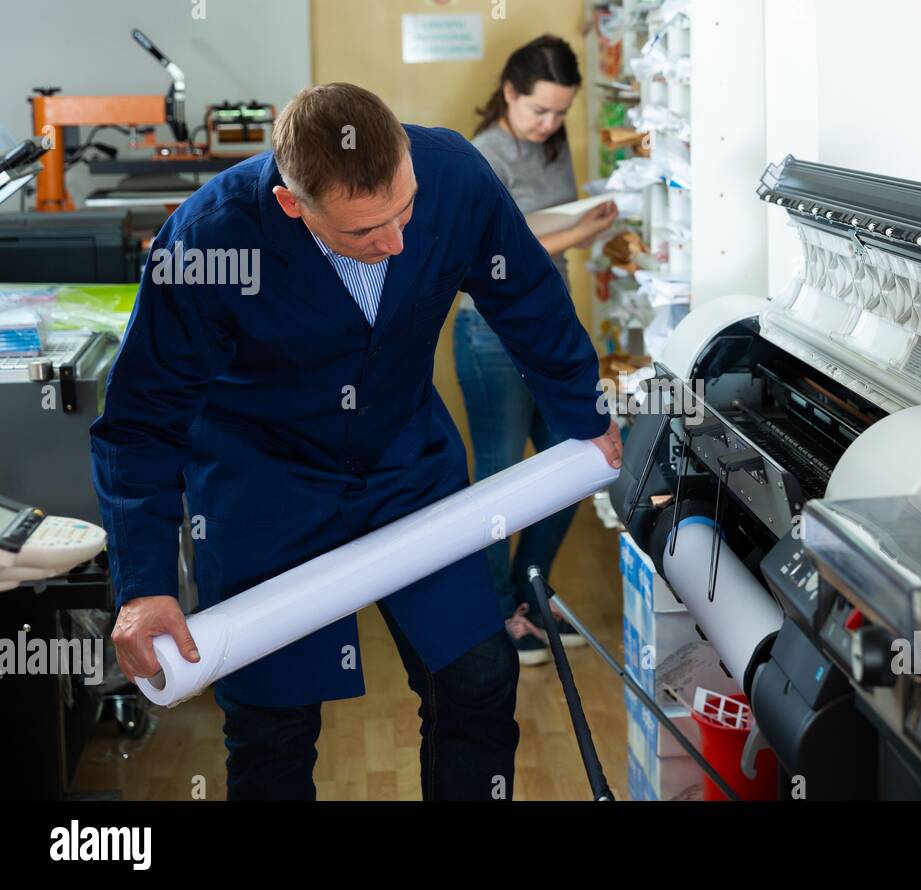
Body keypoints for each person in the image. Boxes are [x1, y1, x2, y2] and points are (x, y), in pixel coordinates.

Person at [93, 82, 622, 801]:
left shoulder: (453, 174)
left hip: (406, 464)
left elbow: (526, 295)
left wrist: (586, 413)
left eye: (404, 211)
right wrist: (145, 583)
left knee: (479, 680)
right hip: (263, 485)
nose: (395, 241)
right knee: (272, 732)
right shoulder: (207, 238)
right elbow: (140, 419)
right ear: (292, 204)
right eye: (362, 232)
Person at [456, 35, 617, 665]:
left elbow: (551, 229)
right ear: (509, 93)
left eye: (559, 113)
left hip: (552, 331)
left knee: (578, 460)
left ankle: (530, 592)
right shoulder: (481, 156)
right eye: (539, 111)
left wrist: (580, 222)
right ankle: (499, 614)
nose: (549, 124)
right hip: (490, 336)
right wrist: (581, 228)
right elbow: (496, 257)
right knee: (499, 477)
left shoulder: (552, 146)